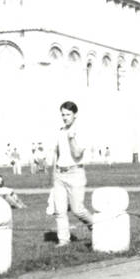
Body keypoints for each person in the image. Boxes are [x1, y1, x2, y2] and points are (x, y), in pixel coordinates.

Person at [50, 100, 94, 246]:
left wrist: (71, 137)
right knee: (59, 211)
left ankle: (96, 225)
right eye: (62, 114)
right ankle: (63, 241)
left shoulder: (81, 131)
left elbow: (76, 153)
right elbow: (57, 153)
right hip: (59, 174)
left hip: (75, 173)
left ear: (75, 115)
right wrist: (54, 175)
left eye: (68, 114)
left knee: (77, 210)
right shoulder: (60, 131)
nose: (65, 117)